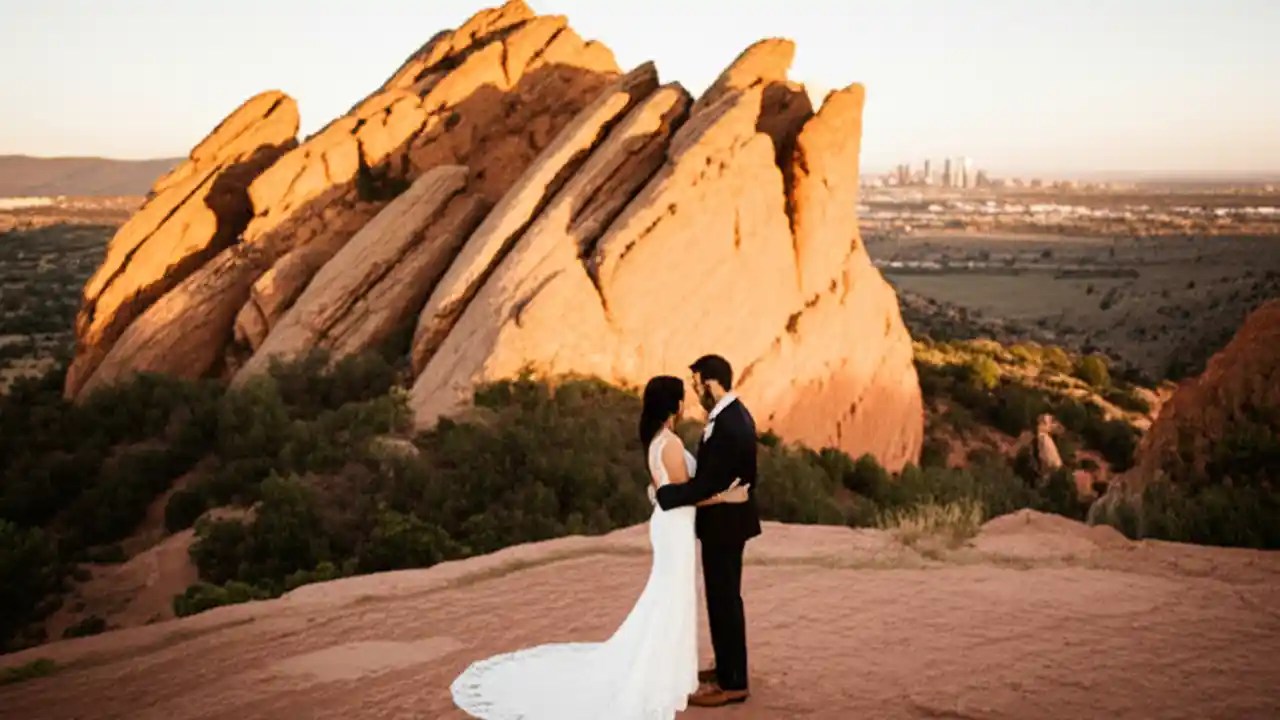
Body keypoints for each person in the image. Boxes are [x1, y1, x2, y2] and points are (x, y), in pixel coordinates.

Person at [451, 374, 749, 719]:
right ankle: (662, 672)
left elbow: (666, 492)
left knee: (668, 595)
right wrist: (726, 496)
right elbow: (684, 496)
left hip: (671, 529)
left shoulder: (656, 440)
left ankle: (671, 668)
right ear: (676, 405)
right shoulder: (668, 443)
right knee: (671, 597)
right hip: (675, 528)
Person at [654, 354, 761, 708]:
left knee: (725, 600)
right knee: (722, 598)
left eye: (698, 383)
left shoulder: (730, 423)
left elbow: (709, 482)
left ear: (712, 381)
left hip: (726, 526)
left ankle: (733, 683)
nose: (697, 392)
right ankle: (726, 667)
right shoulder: (729, 416)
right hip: (726, 522)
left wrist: (667, 496)